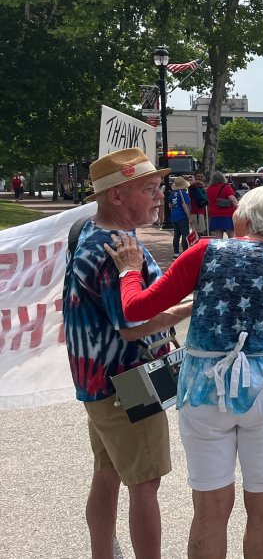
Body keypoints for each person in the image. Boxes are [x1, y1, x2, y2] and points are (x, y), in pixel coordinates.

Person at [105, 183, 263, 557]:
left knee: (209, 509)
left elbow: (136, 309)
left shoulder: (205, 251)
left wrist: (130, 271)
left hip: (205, 390)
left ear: (244, 218)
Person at [62, 147, 190, 559]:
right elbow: (133, 326)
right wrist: (194, 305)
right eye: (149, 188)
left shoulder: (105, 237)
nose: (160, 197)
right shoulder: (112, 248)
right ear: (116, 195)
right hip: (128, 384)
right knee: (145, 483)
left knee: (109, 473)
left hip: (103, 383)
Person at [206, 171, 238, 239]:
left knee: (218, 237)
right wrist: (240, 208)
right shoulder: (226, 187)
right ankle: (231, 249)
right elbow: (233, 199)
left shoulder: (208, 189)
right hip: (226, 214)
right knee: (231, 235)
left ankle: (219, 249)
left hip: (214, 214)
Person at [168, 176, 192, 258]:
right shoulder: (183, 194)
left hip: (174, 215)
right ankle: (185, 252)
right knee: (185, 234)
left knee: (176, 235)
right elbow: (185, 206)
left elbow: (170, 205)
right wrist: (189, 216)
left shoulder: (172, 194)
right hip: (182, 216)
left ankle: (176, 253)